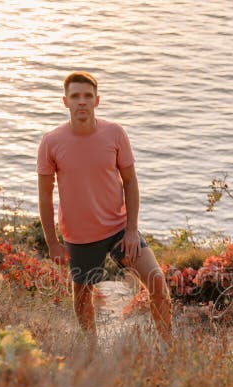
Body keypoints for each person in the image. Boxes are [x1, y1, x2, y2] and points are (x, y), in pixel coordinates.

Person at [37, 71, 172, 343]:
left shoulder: (115, 133)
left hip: (119, 230)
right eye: (75, 96)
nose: (82, 102)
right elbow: (44, 197)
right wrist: (52, 243)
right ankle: (91, 350)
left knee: (157, 282)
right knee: (83, 297)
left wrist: (132, 230)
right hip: (79, 236)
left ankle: (169, 347)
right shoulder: (51, 142)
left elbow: (130, 181)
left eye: (88, 96)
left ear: (97, 101)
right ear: (65, 102)